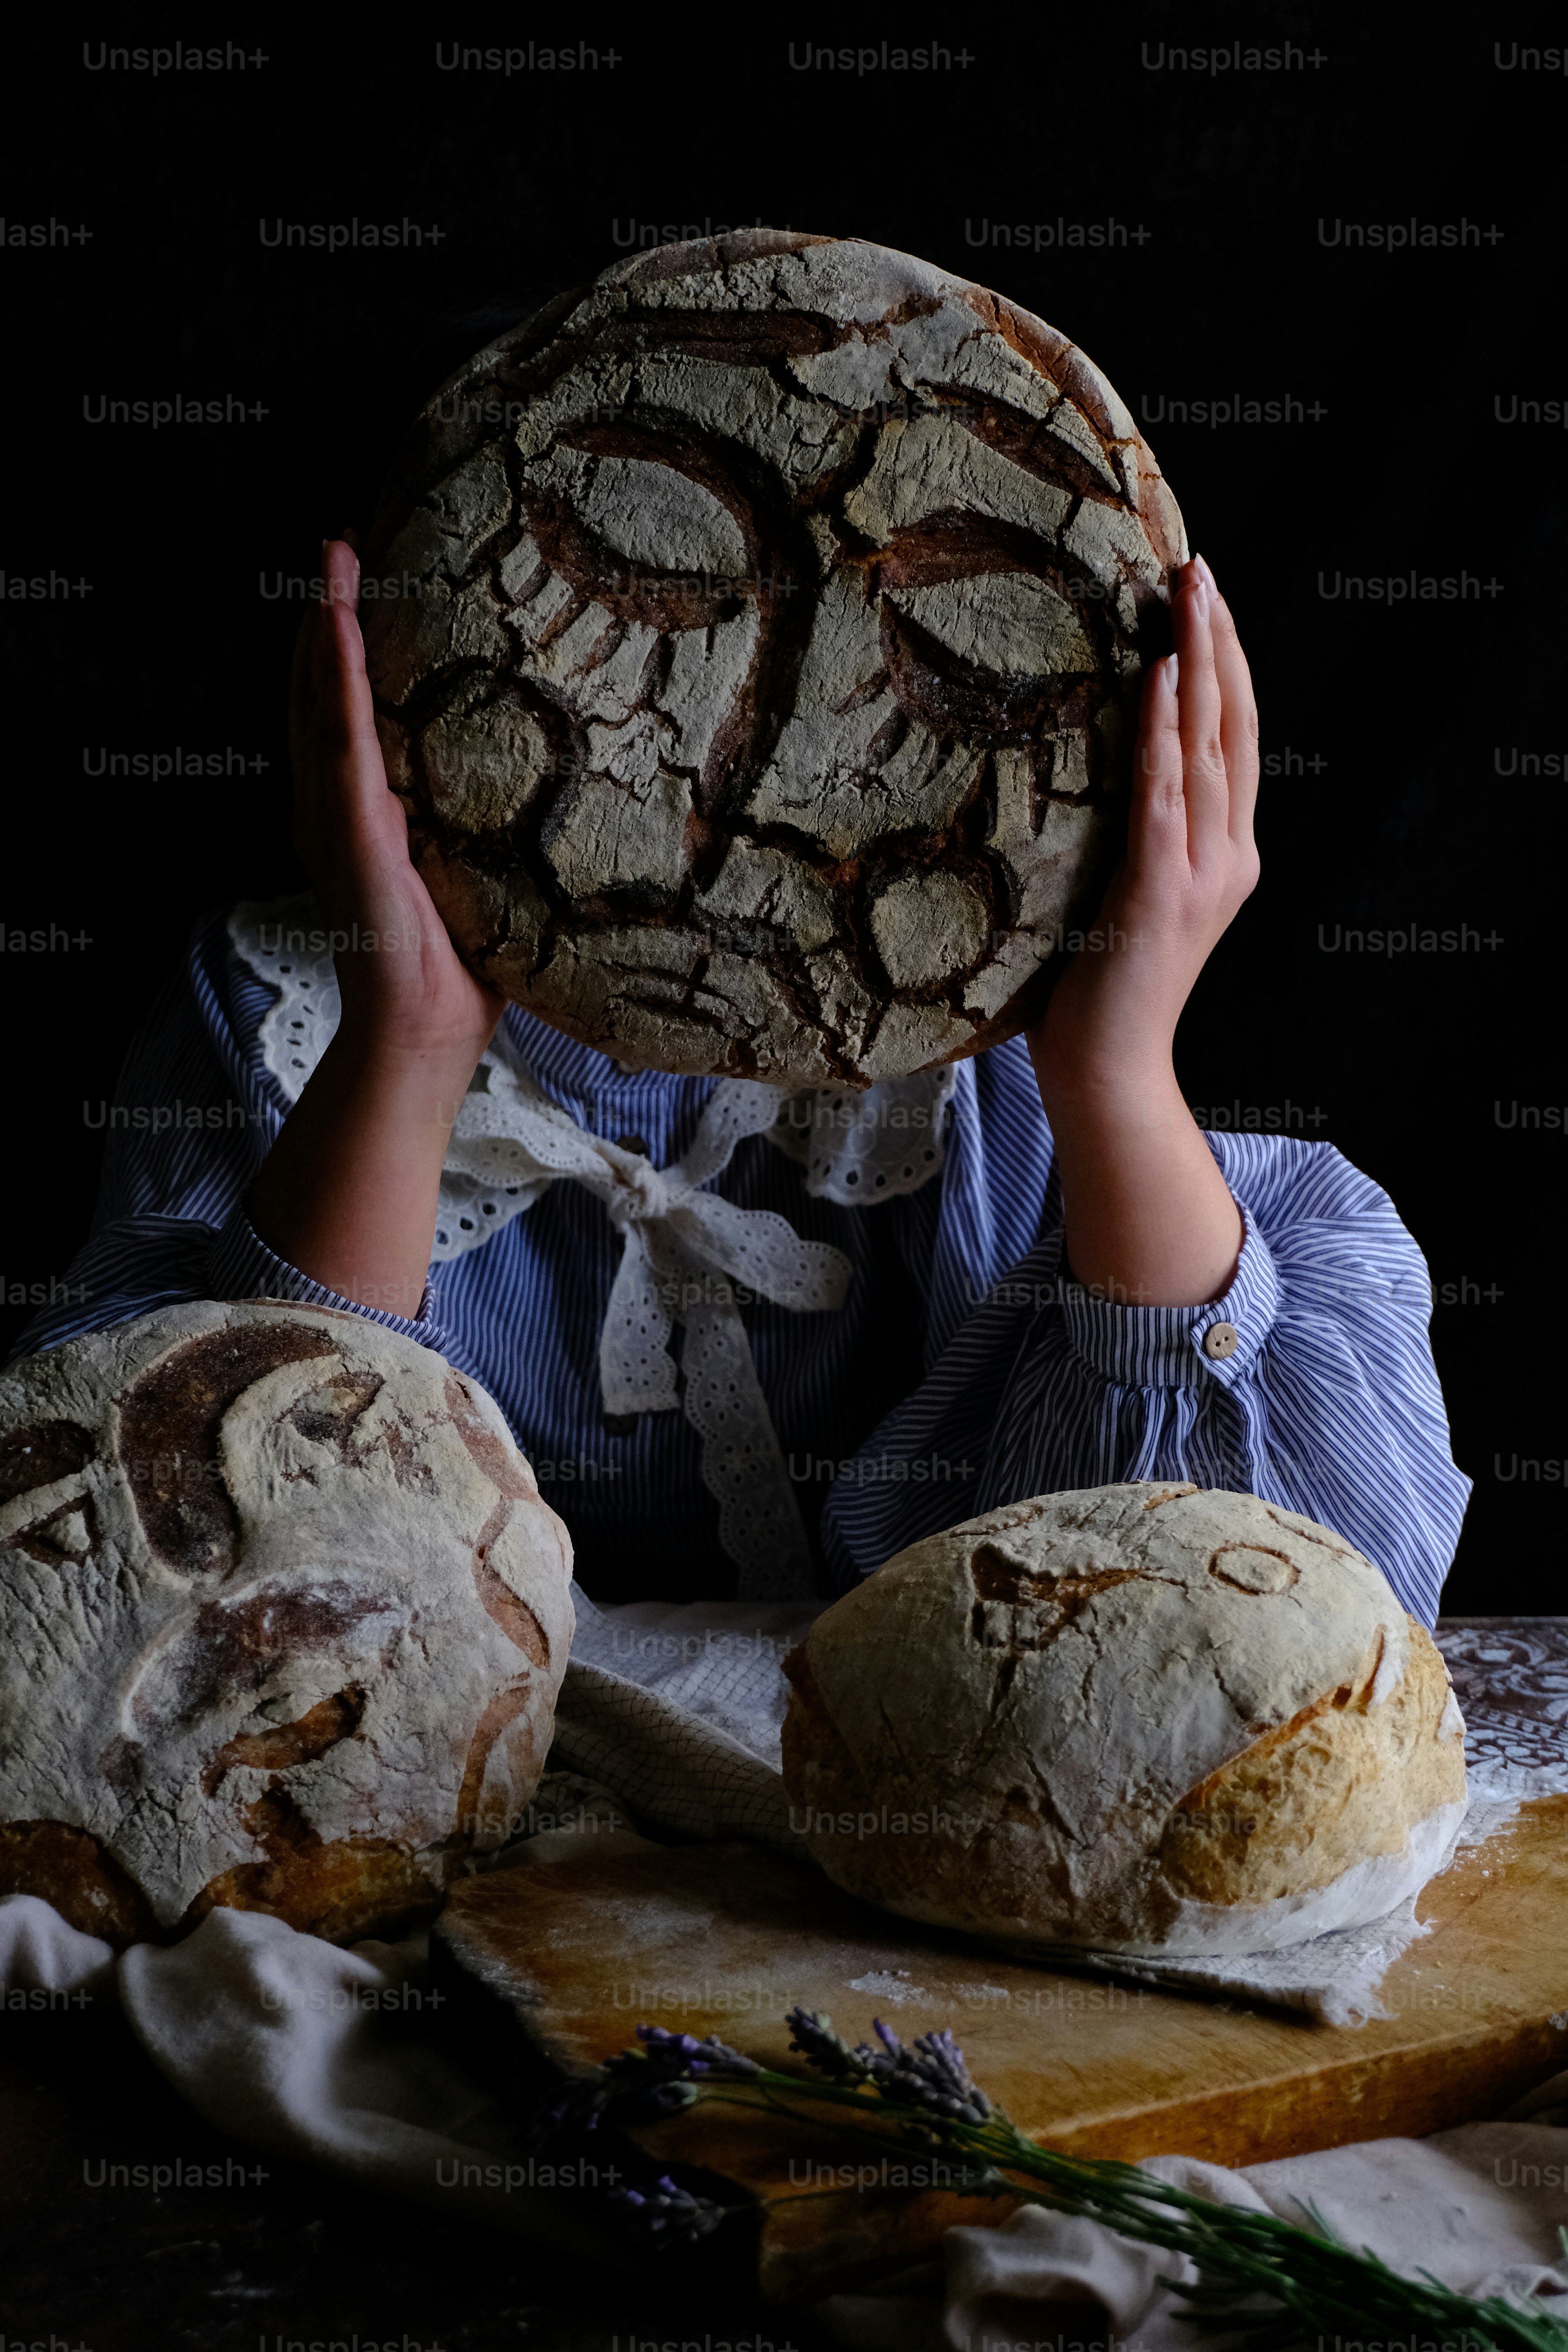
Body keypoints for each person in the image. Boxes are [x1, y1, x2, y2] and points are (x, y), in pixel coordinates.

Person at [13, 542, 1468, 1621]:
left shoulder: (992, 1075)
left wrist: (1113, 1070)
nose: (727, 741)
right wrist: (404, 1051)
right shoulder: (275, 1017)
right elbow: (161, 1595)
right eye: (615, 618)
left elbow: (1278, 1616)